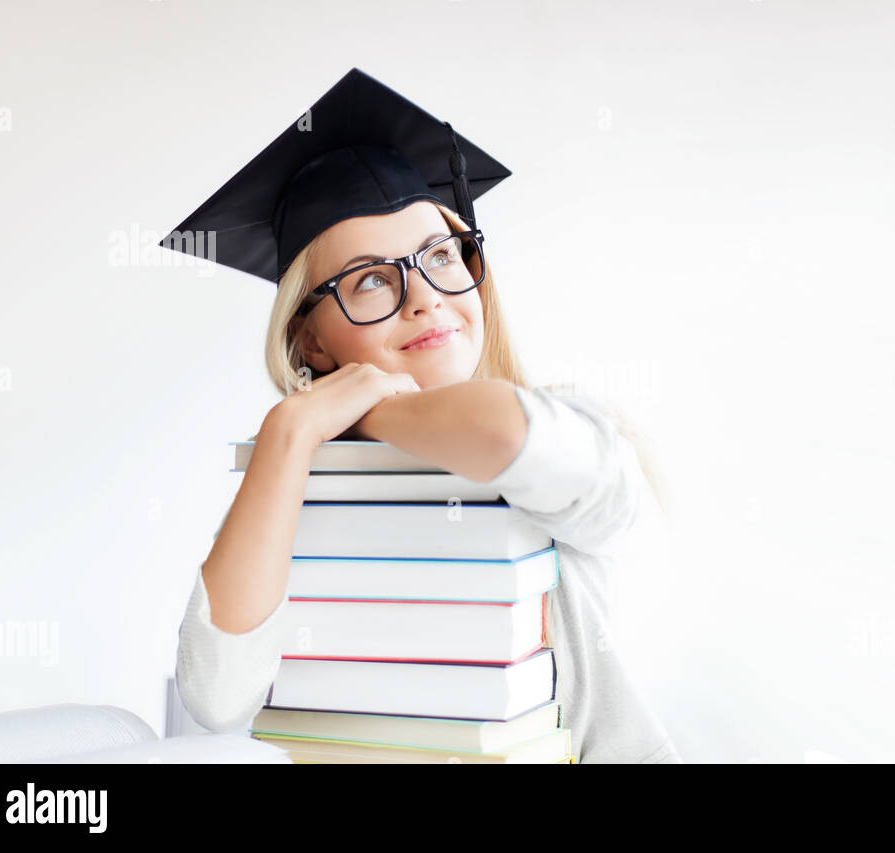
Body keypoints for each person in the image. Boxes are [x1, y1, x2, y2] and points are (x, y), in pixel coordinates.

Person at [161, 68, 681, 763]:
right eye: (373, 279)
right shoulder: (294, 481)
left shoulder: (574, 424)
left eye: (440, 255)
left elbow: (503, 432)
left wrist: (377, 408)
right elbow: (218, 697)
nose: (426, 297)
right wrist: (289, 431)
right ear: (311, 341)